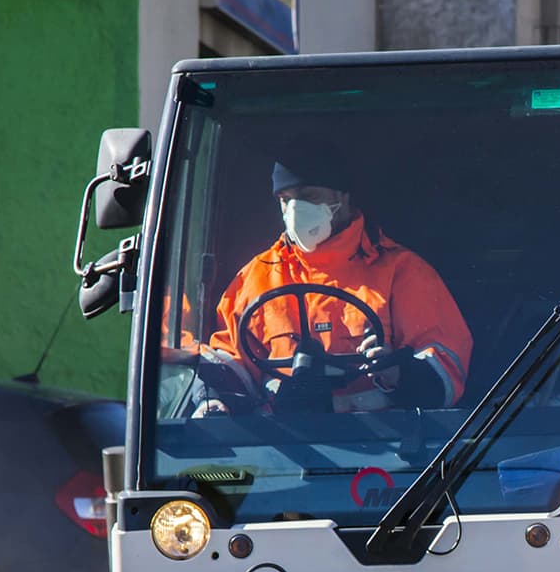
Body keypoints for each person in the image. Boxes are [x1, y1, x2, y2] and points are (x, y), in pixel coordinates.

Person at [191, 149, 472, 412]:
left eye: (308, 197)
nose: (294, 211)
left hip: (391, 447)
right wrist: (214, 399)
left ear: (343, 198)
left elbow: (445, 372)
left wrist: (395, 372)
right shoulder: (255, 278)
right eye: (286, 200)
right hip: (282, 448)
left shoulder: (402, 271)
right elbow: (231, 361)